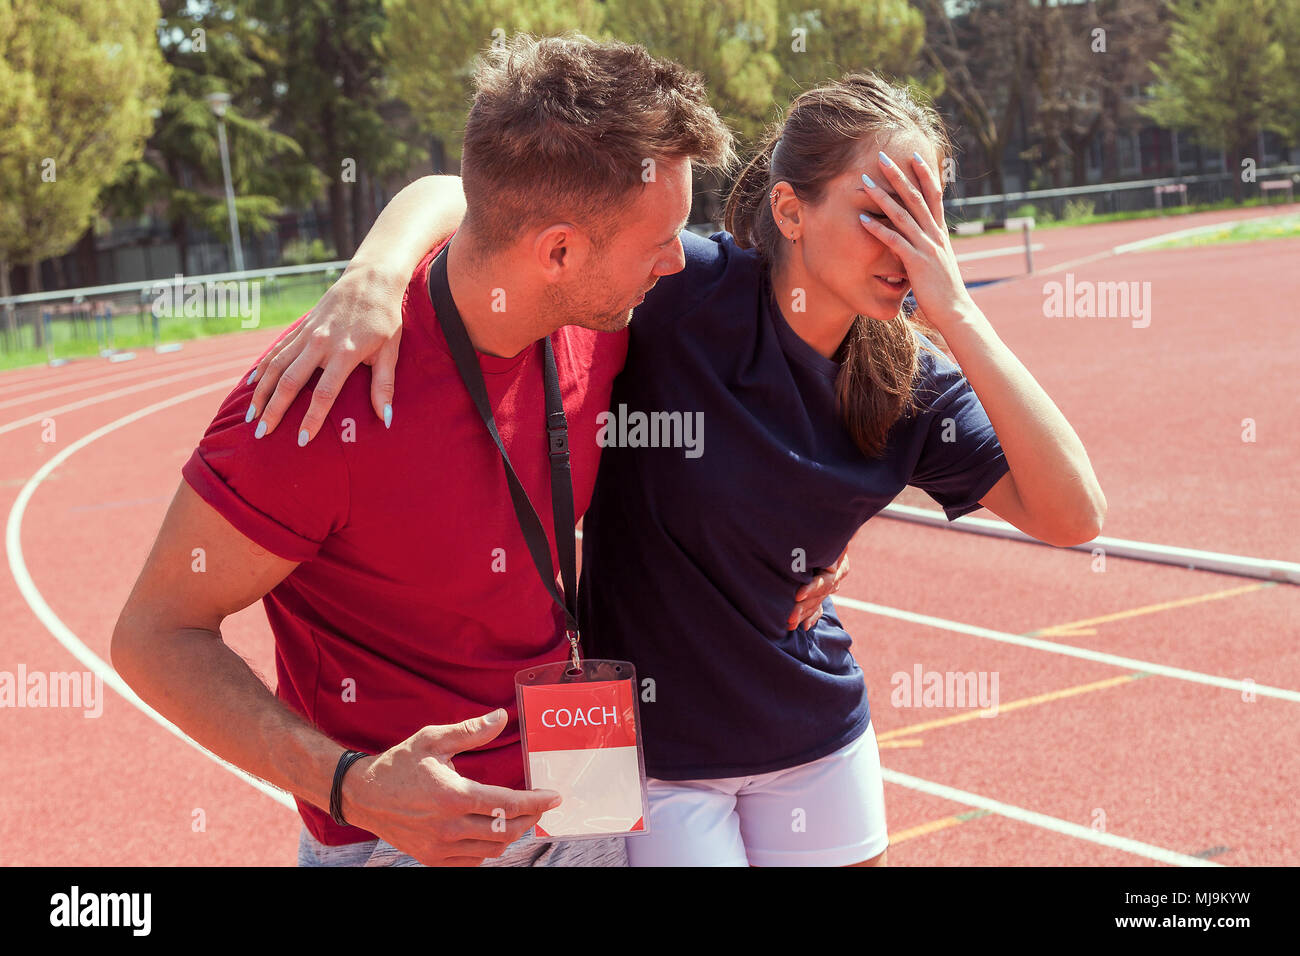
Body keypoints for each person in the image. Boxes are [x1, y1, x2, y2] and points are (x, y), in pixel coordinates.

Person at [249, 72, 1106, 866]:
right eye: (882, 210)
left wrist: (954, 309)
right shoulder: (679, 290)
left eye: (928, 216)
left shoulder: (909, 383)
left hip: (813, 732)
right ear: (791, 210)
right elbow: (477, 198)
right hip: (656, 754)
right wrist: (376, 268)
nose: (907, 246)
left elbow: (1075, 515)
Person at [112, 34, 845, 868]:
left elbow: (452, 192)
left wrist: (804, 542)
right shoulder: (318, 401)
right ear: (559, 251)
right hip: (404, 842)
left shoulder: (594, 320)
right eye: (661, 238)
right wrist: (351, 784)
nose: (676, 259)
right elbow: (154, 634)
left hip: (582, 800)